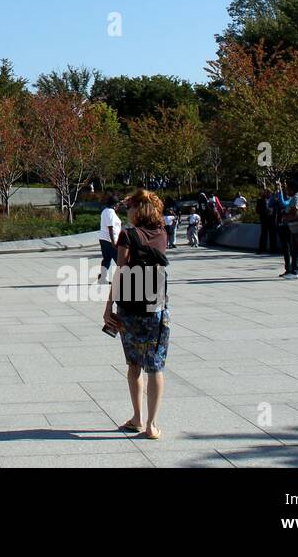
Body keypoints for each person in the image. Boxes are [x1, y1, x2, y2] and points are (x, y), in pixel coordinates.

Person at [103, 188, 170, 441]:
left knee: (134, 364)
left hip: (130, 308)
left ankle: (137, 418)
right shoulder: (162, 234)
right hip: (157, 308)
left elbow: (120, 273)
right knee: (156, 366)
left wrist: (109, 305)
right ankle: (152, 425)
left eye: (130, 206)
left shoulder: (128, 235)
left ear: (139, 209)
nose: (127, 211)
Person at [98, 195, 122, 285]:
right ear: (115, 205)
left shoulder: (105, 211)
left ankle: (102, 278)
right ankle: (122, 279)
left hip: (103, 238)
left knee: (107, 259)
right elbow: (110, 228)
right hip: (110, 240)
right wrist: (113, 242)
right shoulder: (110, 212)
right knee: (119, 260)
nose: (118, 206)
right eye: (118, 204)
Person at [255, 187, 277, 255]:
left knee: (272, 235)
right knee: (263, 235)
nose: (267, 194)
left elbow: (277, 209)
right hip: (264, 219)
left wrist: (273, 211)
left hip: (272, 219)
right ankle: (261, 249)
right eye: (266, 192)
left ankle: (273, 249)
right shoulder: (260, 200)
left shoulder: (274, 200)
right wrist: (264, 211)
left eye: (269, 192)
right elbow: (257, 210)